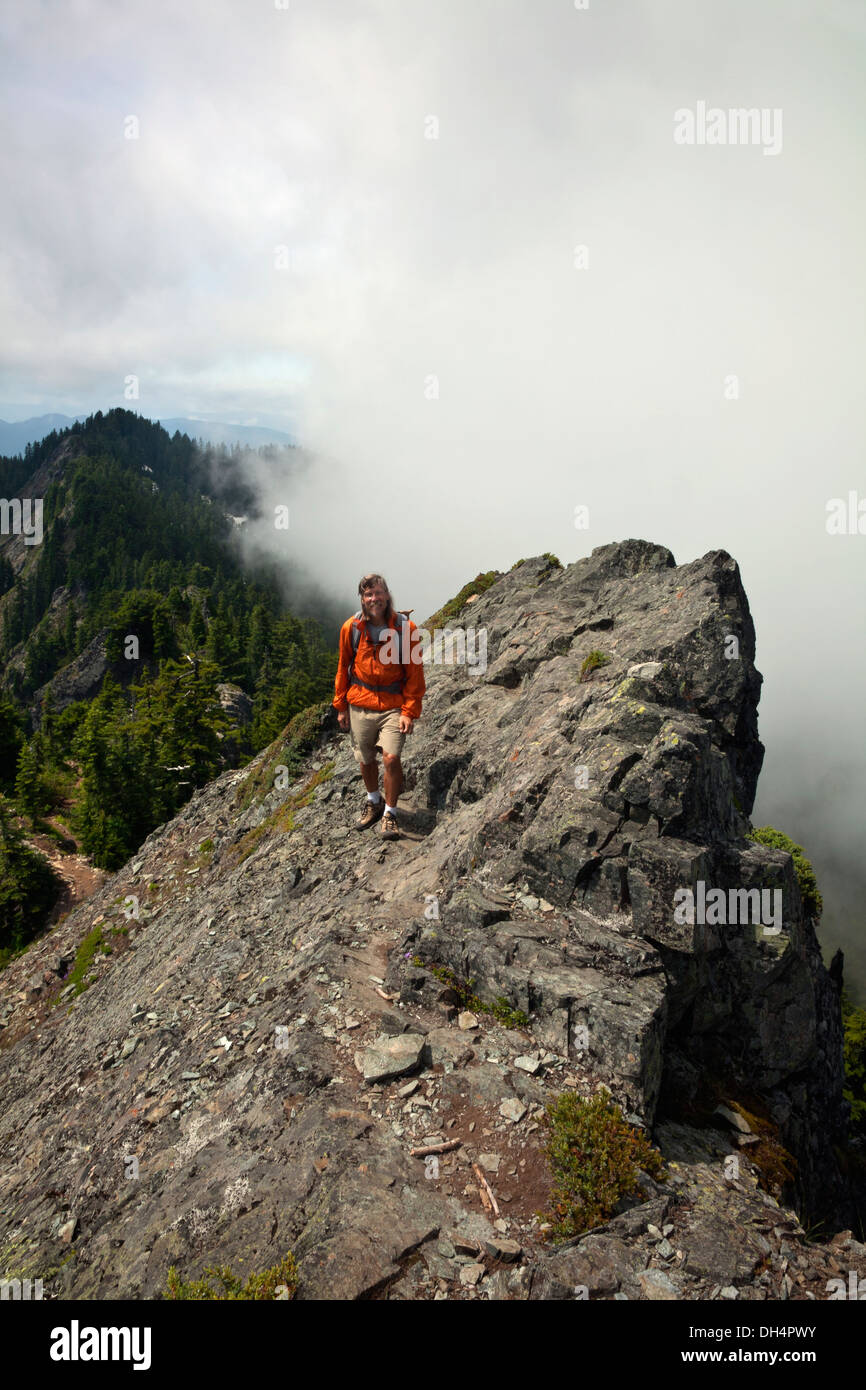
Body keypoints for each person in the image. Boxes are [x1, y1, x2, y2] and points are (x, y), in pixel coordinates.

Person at [333, 573, 425, 839]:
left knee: (391, 758)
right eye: (368, 594)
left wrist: (409, 711)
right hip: (360, 702)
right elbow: (343, 667)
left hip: (393, 705)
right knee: (365, 758)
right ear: (362, 599)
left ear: (387, 595)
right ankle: (374, 800)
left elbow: (415, 674)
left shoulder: (406, 630)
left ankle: (390, 813)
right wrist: (340, 706)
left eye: (378, 593)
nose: (374, 599)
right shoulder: (351, 628)